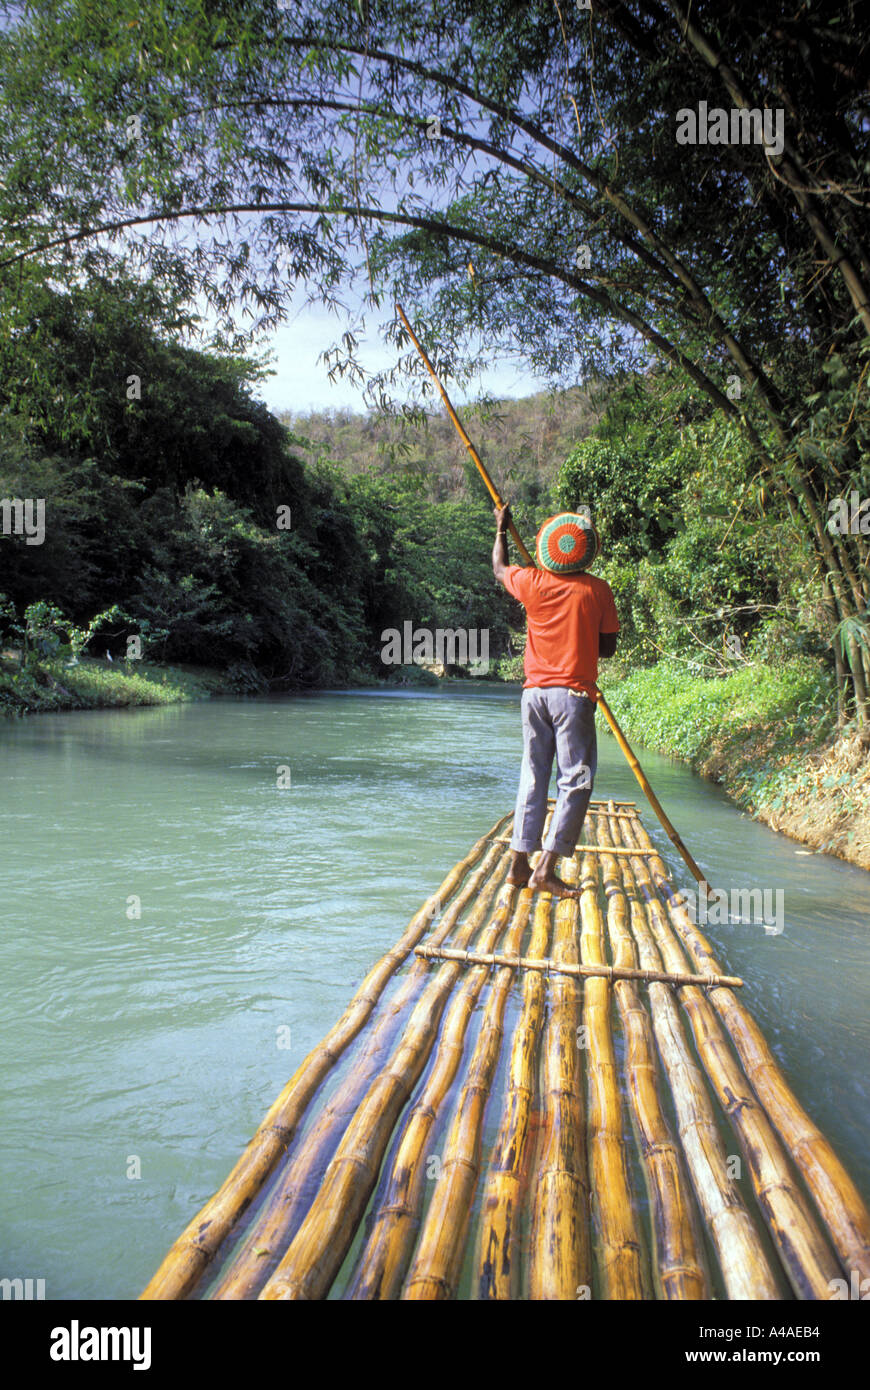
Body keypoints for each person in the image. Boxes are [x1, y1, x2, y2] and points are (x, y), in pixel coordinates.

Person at [493, 504, 619, 898]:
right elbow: (608, 648)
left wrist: (501, 530)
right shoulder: (597, 590)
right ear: (587, 553)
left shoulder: (532, 582)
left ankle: (518, 863)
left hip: (533, 695)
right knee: (576, 780)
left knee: (533, 775)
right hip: (573, 696)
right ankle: (544, 869)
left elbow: (499, 569)